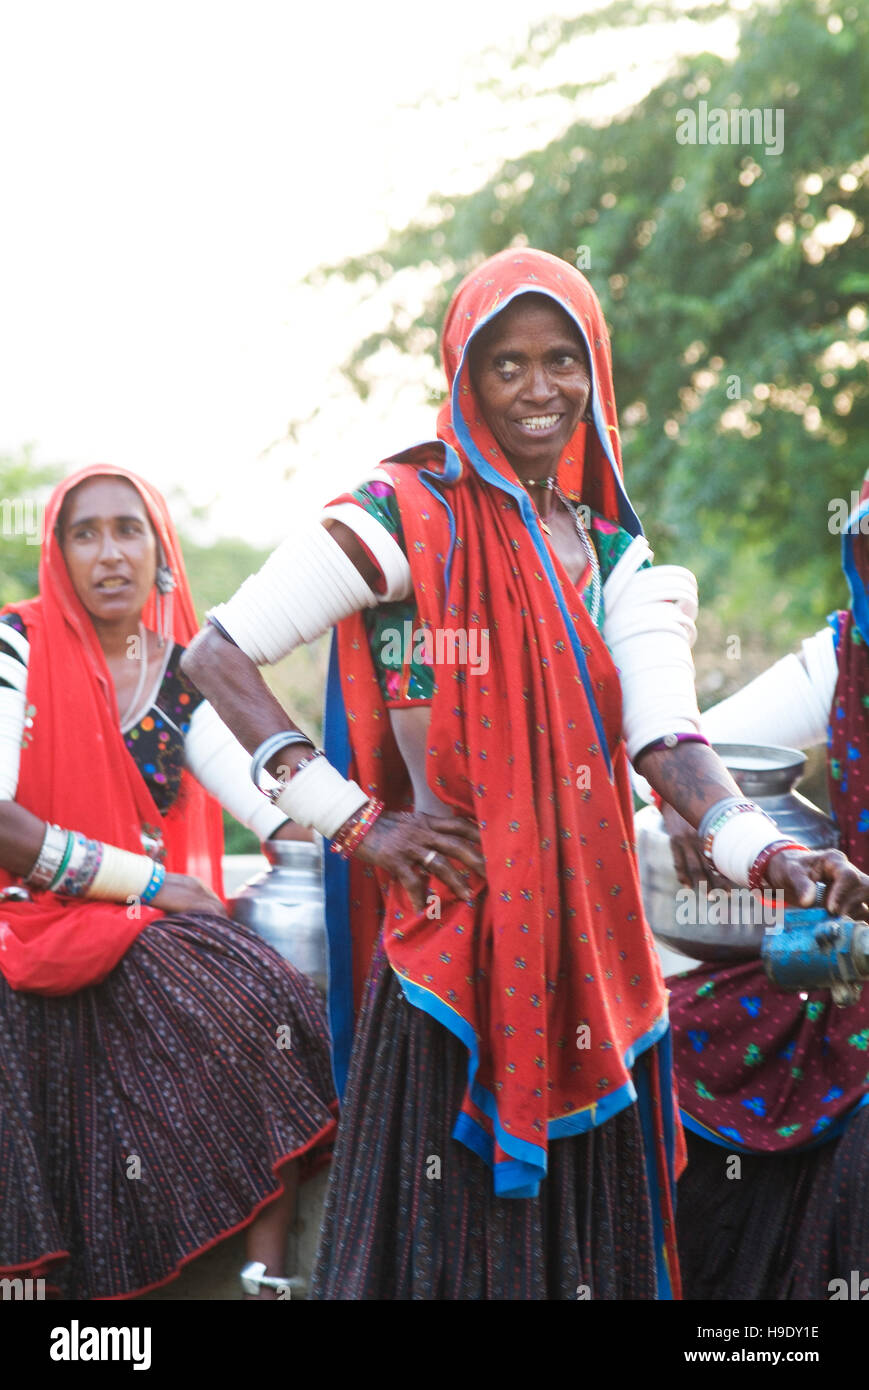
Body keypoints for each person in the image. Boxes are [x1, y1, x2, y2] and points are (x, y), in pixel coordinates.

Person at [182, 247, 869, 1300]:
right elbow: (215, 654)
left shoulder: (615, 557)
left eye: (561, 361)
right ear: (463, 376)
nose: (537, 389)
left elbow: (672, 745)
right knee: (441, 1250)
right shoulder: (403, 516)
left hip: (591, 958)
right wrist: (359, 821)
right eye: (506, 365)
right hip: (449, 954)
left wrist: (767, 850)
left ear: (594, 373)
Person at [0, 464, 337, 1300]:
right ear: (59, 553)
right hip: (20, 918)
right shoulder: (15, 643)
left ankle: (268, 1276)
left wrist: (371, 829)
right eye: (85, 533)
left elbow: (275, 810)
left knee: (262, 991)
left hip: (127, 924)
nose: (108, 553)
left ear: (160, 556)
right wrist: (148, 880)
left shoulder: (180, 676)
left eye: (128, 530)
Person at [660, 472, 869, 1300]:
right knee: (663, 1040)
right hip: (847, 962)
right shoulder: (842, 660)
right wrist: (684, 801)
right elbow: (693, 749)